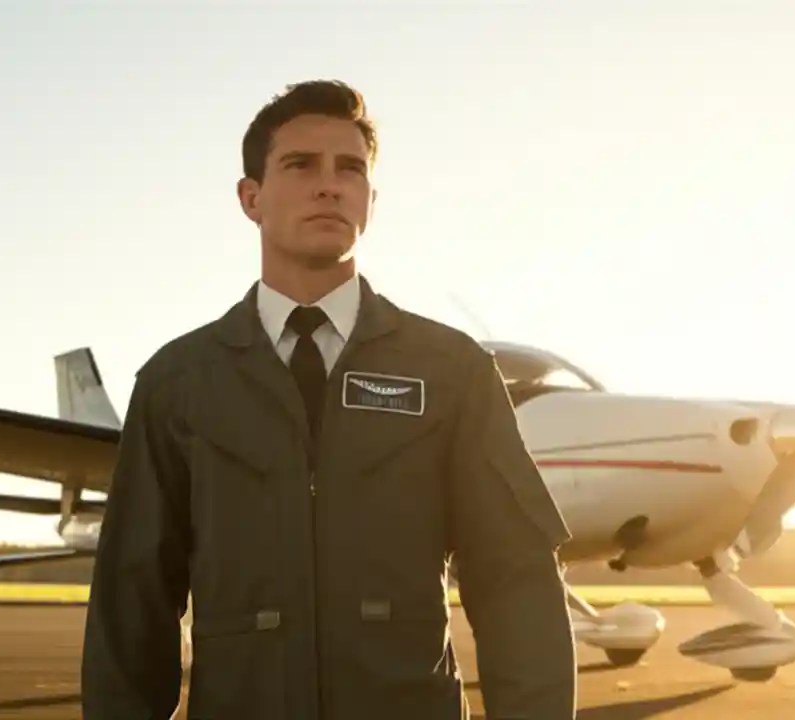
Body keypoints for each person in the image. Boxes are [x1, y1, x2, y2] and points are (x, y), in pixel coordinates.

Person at [82, 79, 576, 720]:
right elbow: (133, 598)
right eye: (300, 165)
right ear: (249, 198)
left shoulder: (453, 372)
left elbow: (516, 582)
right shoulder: (177, 384)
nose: (329, 184)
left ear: (370, 198)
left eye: (350, 168)